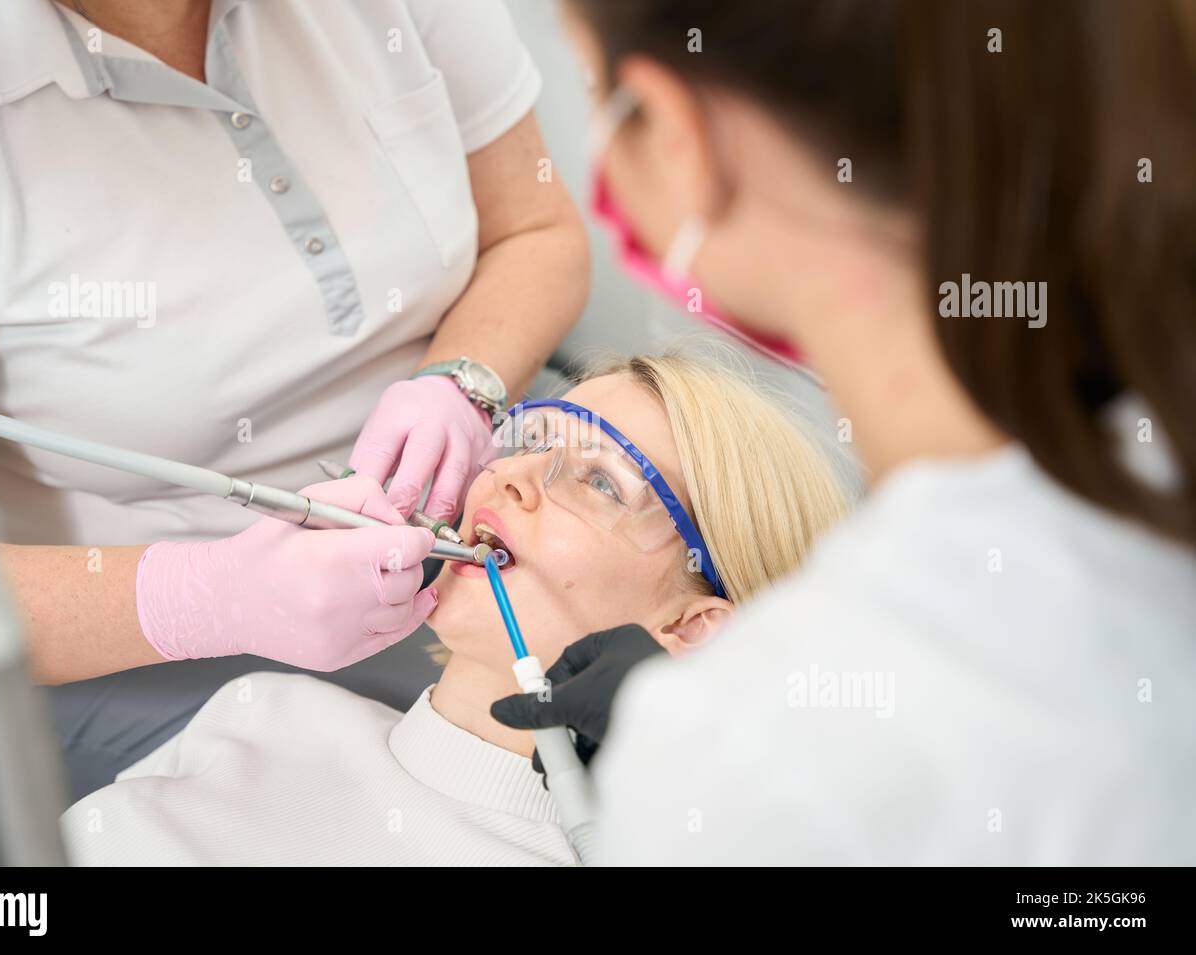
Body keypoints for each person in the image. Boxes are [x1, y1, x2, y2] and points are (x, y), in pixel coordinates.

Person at [491, 0, 1196, 864]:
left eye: (602, 102)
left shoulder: (749, 757)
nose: (516, 480)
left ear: (680, 134)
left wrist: (711, 752)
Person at [0, 0, 587, 779]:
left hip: (463, 520)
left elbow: (536, 231)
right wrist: (207, 599)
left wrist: (463, 381)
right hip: (137, 644)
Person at [58, 351, 848, 864]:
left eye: (603, 481)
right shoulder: (262, 707)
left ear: (692, 627)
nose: (510, 478)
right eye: (535, 438)